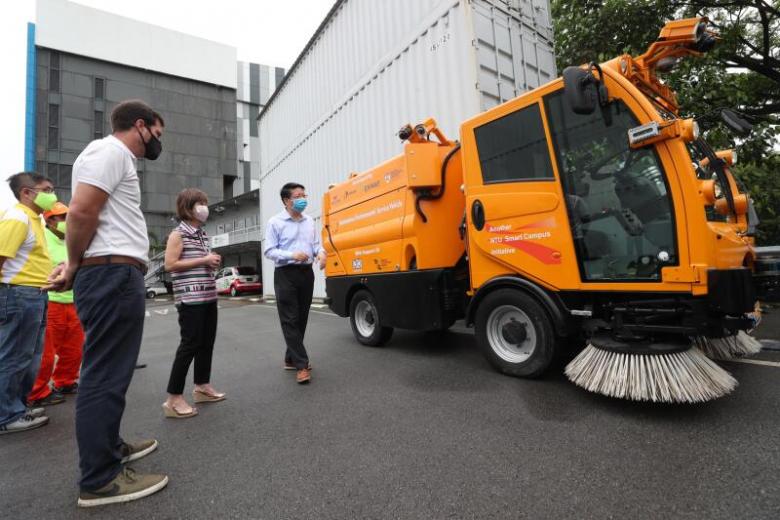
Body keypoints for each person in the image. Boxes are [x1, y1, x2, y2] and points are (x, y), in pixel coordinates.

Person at [46, 99, 168, 507]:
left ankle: (110, 448)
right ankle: (99, 478)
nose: (157, 142)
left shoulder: (114, 158)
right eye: (157, 133)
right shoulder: (110, 151)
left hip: (114, 271)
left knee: (110, 371)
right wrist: (74, 263)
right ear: (141, 125)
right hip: (110, 273)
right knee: (104, 374)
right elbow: (80, 210)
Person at [0, 172, 55, 434]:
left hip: (35, 293)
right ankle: (6, 415)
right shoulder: (18, 218)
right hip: (19, 294)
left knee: (30, 356)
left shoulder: (35, 220)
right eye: (46, 189)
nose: (51, 195)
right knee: (14, 356)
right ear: (26, 192)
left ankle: (17, 406)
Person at [162, 188, 224, 418]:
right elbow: (170, 265)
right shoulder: (178, 234)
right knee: (189, 344)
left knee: (207, 343)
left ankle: (202, 386)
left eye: (205, 203)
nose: (204, 208)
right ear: (187, 207)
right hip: (190, 298)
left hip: (208, 295)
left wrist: (210, 262)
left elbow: (196, 262)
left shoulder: (201, 234)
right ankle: (173, 399)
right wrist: (204, 259)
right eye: (200, 203)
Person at [263, 182, 326, 384]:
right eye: (298, 196)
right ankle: (301, 365)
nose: (303, 199)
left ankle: (290, 358)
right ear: (286, 200)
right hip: (285, 274)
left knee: (301, 318)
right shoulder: (275, 222)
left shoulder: (309, 221)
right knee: (290, 318)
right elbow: (269, 250)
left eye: (304, 195)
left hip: (306, 273)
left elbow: (317, 245)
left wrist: (322, 254)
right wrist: (291, 255)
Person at [27, 202, 84, 408]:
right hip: (51, 302)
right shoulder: (41, 239)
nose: (65, 221)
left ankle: (65, 382)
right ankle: (37, 391)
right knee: (46, 352)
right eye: (60, 217)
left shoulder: (74, 241)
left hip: (74, 301)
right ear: (49, 220)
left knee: (74, 348)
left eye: (67, 217)